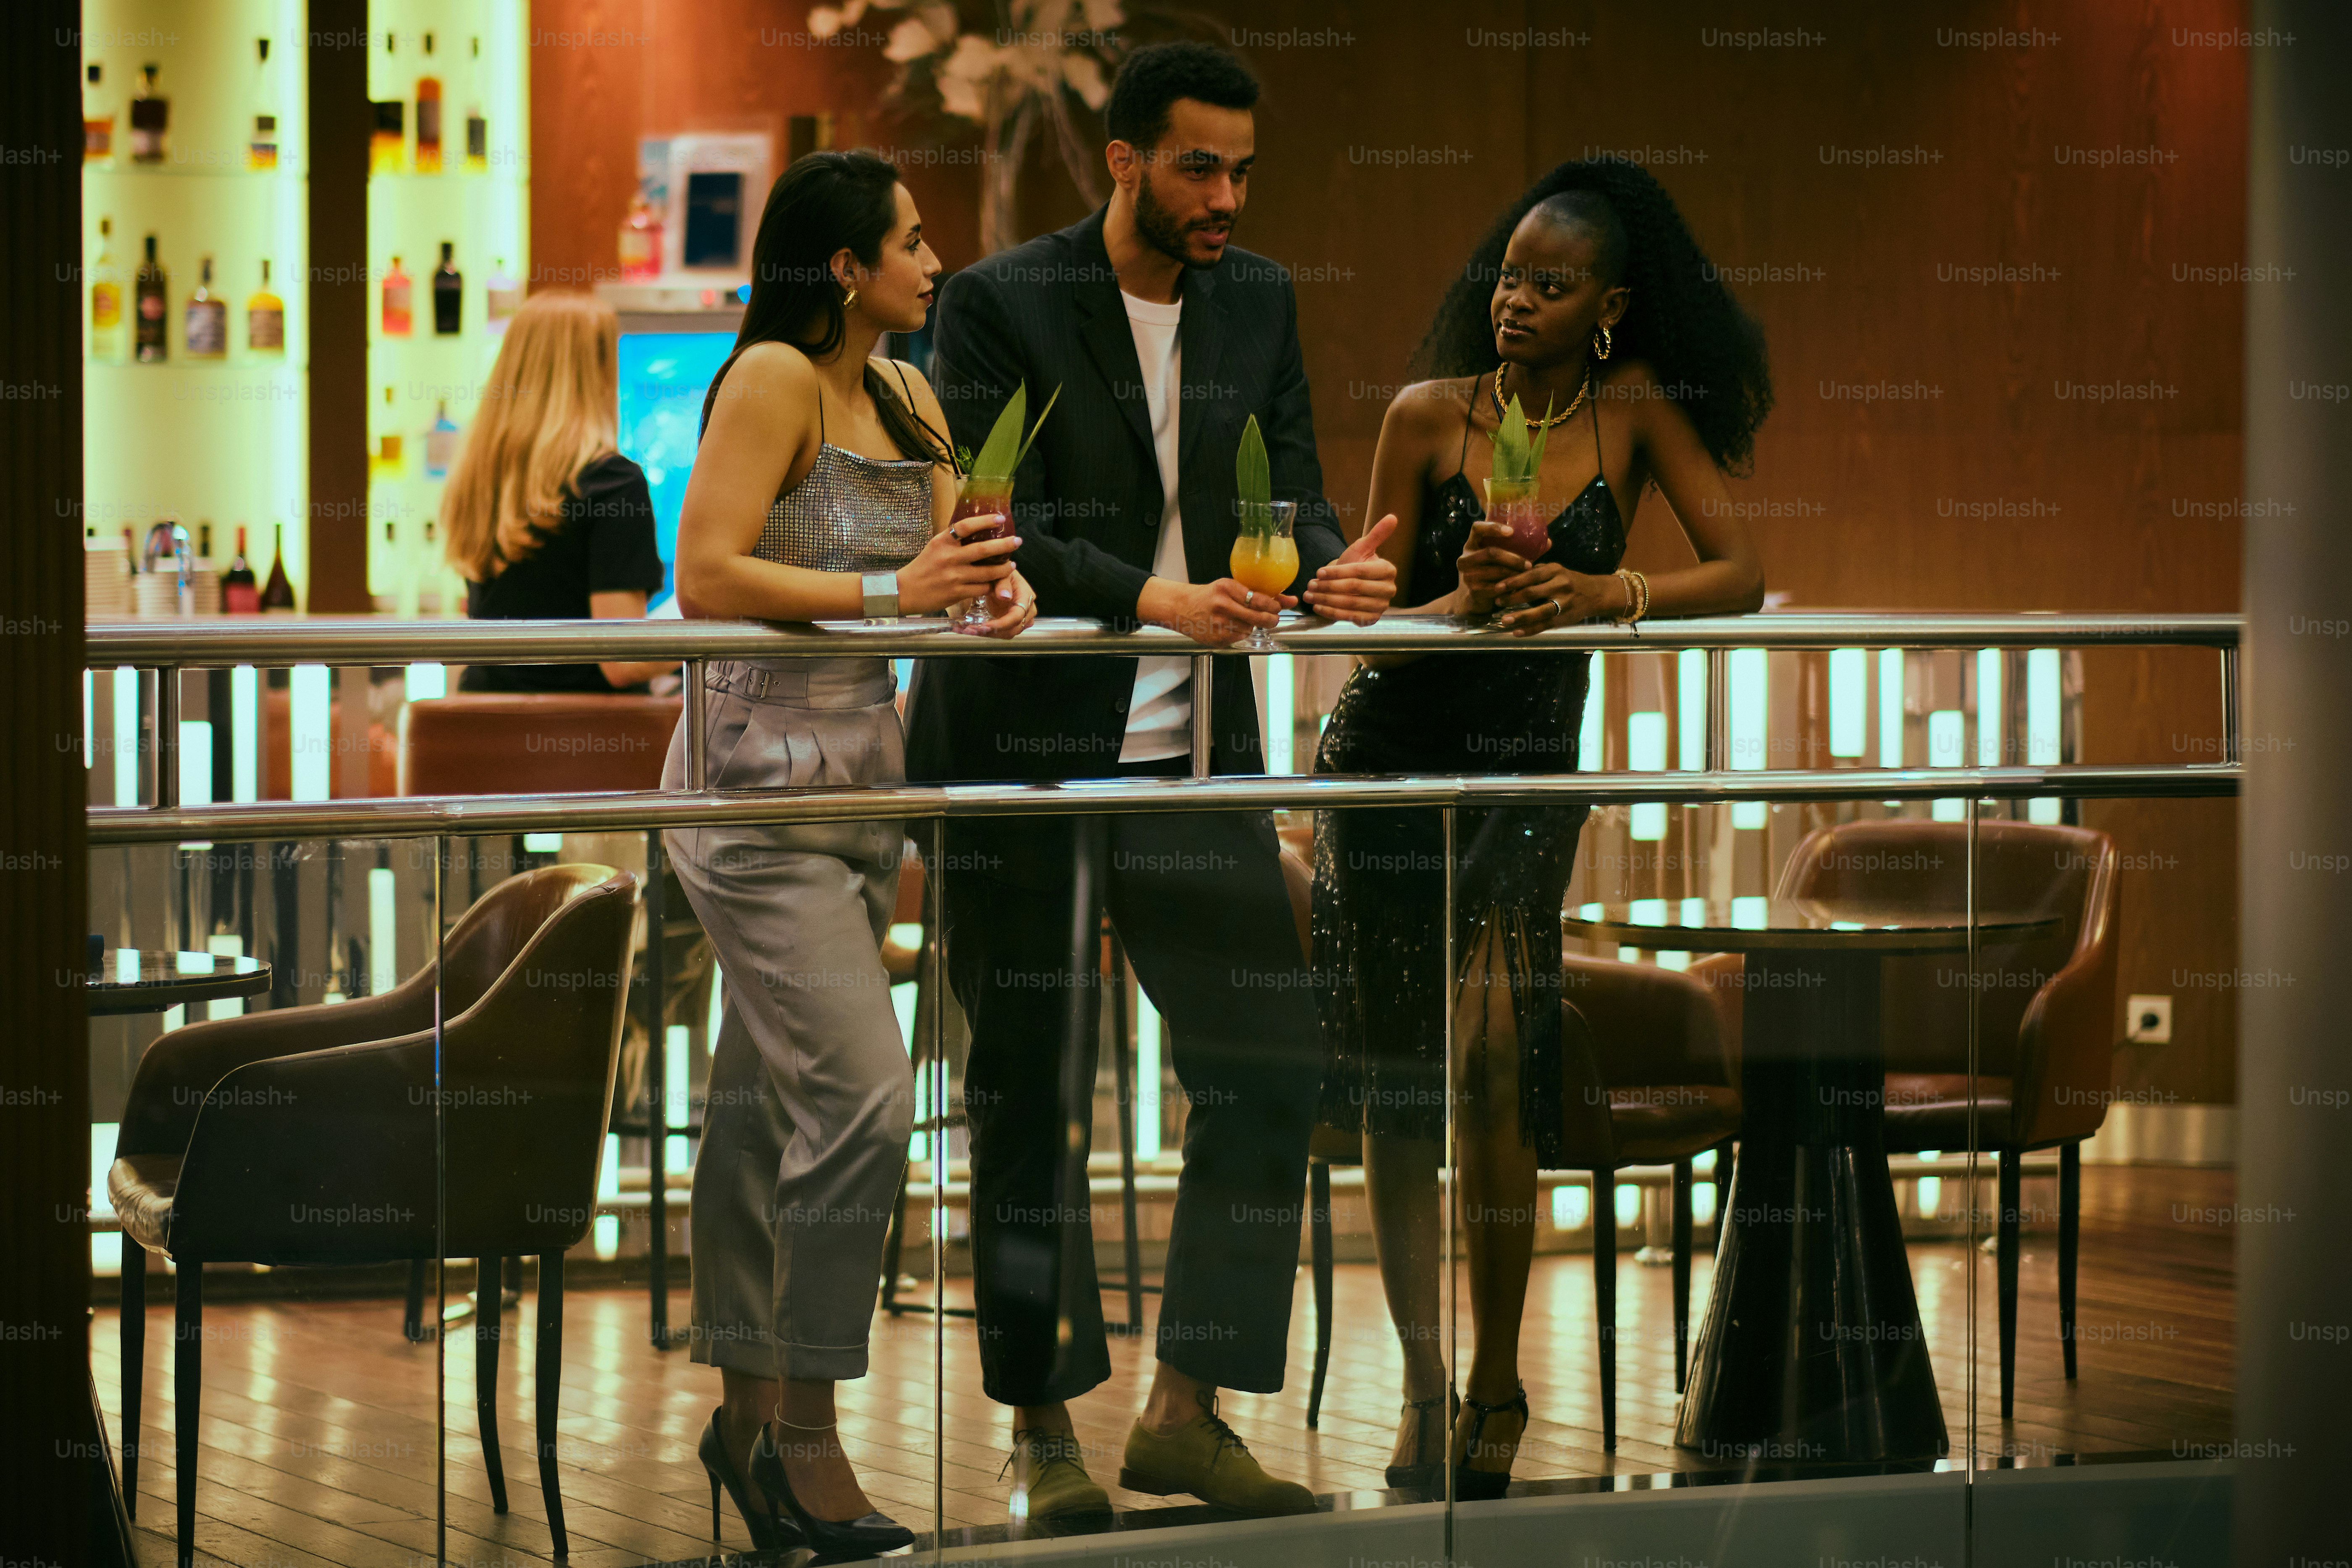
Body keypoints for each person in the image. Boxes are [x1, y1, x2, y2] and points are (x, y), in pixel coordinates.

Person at [906, 39, 1399, 1525]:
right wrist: (1153, 599)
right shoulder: (999, 301)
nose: (1227, 197)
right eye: (1199, 165)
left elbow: (1291, 486)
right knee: (1035, 1095)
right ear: (1120, 158)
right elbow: (1004, 526)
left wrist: (1333, 567)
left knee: (1271, 1063)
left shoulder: (1258, 299)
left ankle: (1187, 1411)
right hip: (1030, 762)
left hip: (1198, 765)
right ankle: (1045, 1433)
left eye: (1244, 169)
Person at [1310, 158, 1771, 1500]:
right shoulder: (1424, 413)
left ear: (1608, 308)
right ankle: (1416, 1378)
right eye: (1506, 275)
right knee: (1403, 1075)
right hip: (1392, 757)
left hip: (1524, 771)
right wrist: (1448, 597)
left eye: (1549, 285)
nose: (1514, 301)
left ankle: (1498, 1379)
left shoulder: (1631, 418)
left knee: (1499, 1061)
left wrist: (1597, 590)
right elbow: (1368, 624)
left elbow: (1736, 573)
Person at [662, 149, 1033, 1557]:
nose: (936, 261)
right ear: (844, 267)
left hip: (863, 790)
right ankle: (807, 1443)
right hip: (753, 798)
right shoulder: (768, 379)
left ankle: (747, 1408)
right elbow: (706, 574)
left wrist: (995, 592)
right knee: (869, 1094)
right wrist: (895, 589)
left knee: (764, 1116)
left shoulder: (908, 391)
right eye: (912, 241)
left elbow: (956, 557)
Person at [440, 289, 676, 693]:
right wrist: (724, 633)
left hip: (484, 724)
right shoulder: (613, 482)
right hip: (585, 736)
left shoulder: (480, 478)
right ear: (597, 370)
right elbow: (623, 659)